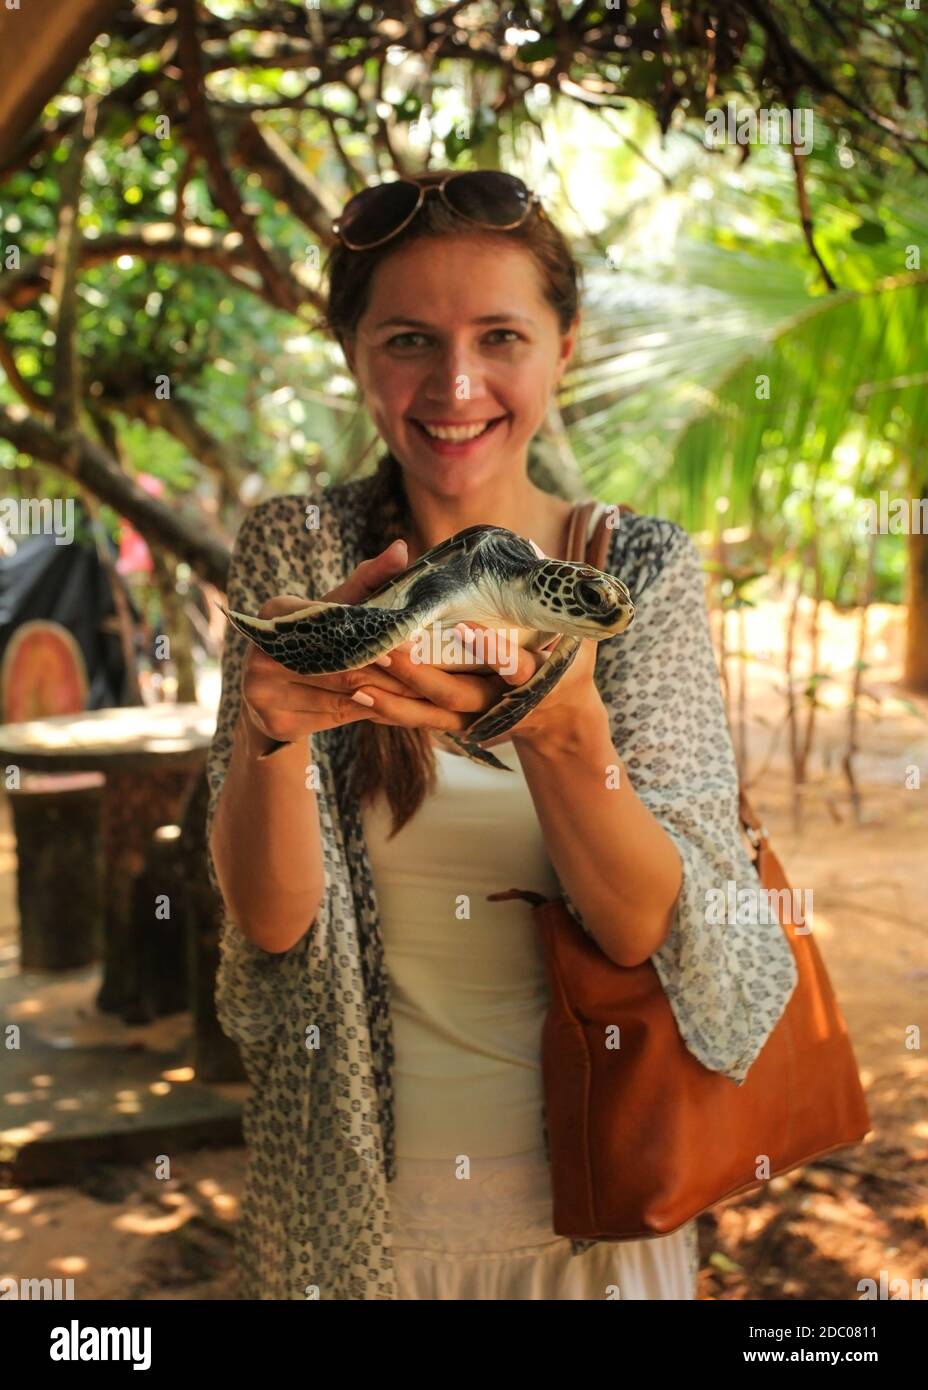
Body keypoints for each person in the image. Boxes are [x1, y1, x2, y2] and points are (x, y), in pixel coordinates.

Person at [205, 169, 797, 1301]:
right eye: (410, 340)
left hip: (592, 1217)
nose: (456, 383)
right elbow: (276, 923)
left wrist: (564, 728)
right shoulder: (299, 554)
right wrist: (269, 735)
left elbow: (636, 928)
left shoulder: (633, 574)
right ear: (353, 351)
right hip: (360, 1220)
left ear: (563, 347)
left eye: (501, 336)